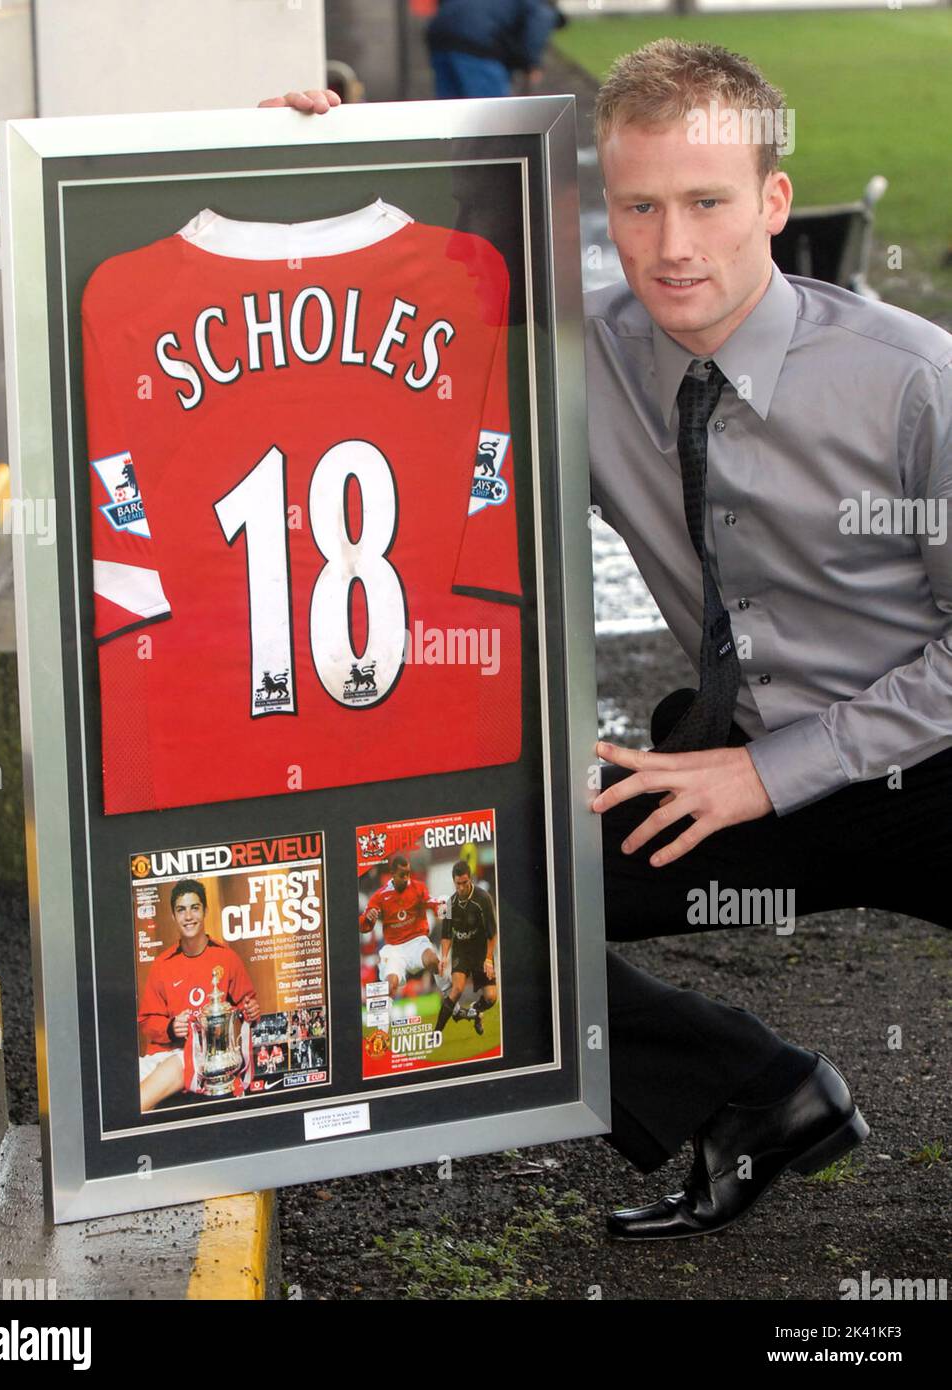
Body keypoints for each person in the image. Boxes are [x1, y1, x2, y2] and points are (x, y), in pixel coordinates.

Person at [265, 40, 950, 1239]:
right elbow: (381, 349)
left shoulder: (913, 381)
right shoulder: (576, 361)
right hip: (726, 773)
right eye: (639, 206)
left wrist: (767, 772)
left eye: (706, 203)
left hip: (923, 763)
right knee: (430, 901)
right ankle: (754, 1092)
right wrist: (319, 174)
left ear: (773, 203)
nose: (672, 245)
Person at [137, 879, 261, 1112]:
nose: (188, 916)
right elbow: (146, 1022)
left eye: (195, 908)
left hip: (198, 1056)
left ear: (205, 911)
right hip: (161, 1054)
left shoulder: (226, 958)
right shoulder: (162, 965)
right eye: (181, 910)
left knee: (138, 1104)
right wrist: (171, 1027)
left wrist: (252, 1011)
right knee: (116, 1094)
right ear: (173, 916)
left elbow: (247, 1007)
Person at [425, 0, 560, 100]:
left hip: (440, 35)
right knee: (495, 116)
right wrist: (532, 64)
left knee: (451, 115)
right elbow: (537, 28)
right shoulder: (540, 6)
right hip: (477, 42)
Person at [359, 855, 443, 999]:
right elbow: (363, 926)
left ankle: (446, 995)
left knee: (433, 960)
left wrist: (441, 908)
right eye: (402, 875)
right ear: (393, 874)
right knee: (391, 984)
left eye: (408, 874)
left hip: (417, 943)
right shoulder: (380, 896)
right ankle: (386, 1017)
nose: (406, 878)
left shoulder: (418, 887)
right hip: (395, 949)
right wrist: (368, 918)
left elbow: (432, 903)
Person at [434, 861, 499, 1039]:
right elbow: (446, 935)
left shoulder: (483, 898)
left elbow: (492, 934)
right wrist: (444, 957)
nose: (461, 887)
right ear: (453, 881)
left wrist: (488, 958)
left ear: (470, 879)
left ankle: (475, 1011)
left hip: (481, 952)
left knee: (492, 998)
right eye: (458, 883)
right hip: (461, 952)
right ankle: (436, 1033)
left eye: (464, 882)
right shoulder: (449, 904)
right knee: (457, 989)